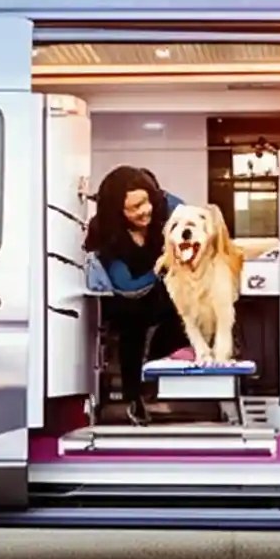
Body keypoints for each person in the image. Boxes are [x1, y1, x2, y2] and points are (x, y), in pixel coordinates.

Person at [83, 165, 191, 425]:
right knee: (132, 326)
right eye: (134, 208)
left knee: (185, 310)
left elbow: (195, 225)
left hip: (167, 289)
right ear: (117, 212)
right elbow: (127, 286)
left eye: (145, 202)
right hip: (128, 298)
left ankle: (154, 367)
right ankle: (133, 398)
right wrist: (162, 266)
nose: (144, 211)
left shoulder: (168, 210)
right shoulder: (106, 234)